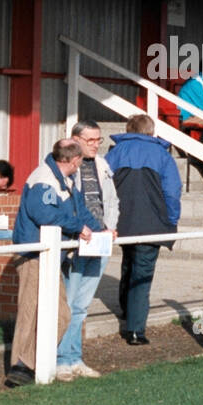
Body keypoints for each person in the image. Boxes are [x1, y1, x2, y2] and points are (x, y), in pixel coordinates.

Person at [7, 140, 103, 387]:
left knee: (60, 314)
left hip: (50, 257)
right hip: (34, 256)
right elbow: (45, 215)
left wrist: (101, 230)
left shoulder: (65, 182)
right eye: (80, 160)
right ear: (74, 161)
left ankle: (30, 362)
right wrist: (78, 227)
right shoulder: (44, 181)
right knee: (31, 311)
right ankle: (22, 365)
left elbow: (79, 212)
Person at [106, 115, 181, 346]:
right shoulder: (162, 155)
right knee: (143, 273)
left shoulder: (115, 153)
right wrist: (171, 220)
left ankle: (126, 309)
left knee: (128, 261)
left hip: (123, 220)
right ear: (151, 131)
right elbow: (172, 191)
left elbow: (105, 185)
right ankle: (136, 330)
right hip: (151, 222)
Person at [56, 122, 119, 381]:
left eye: (98, 140)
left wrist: (111, 228)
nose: (95, 144)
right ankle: (60, 360)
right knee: (68, 304)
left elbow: (112, 200)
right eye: (90, 140)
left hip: (100, 241)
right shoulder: (66, 168)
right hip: (75, 242)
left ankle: (75, 358)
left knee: (82, 306)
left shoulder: (103, 165)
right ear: (75, 139)